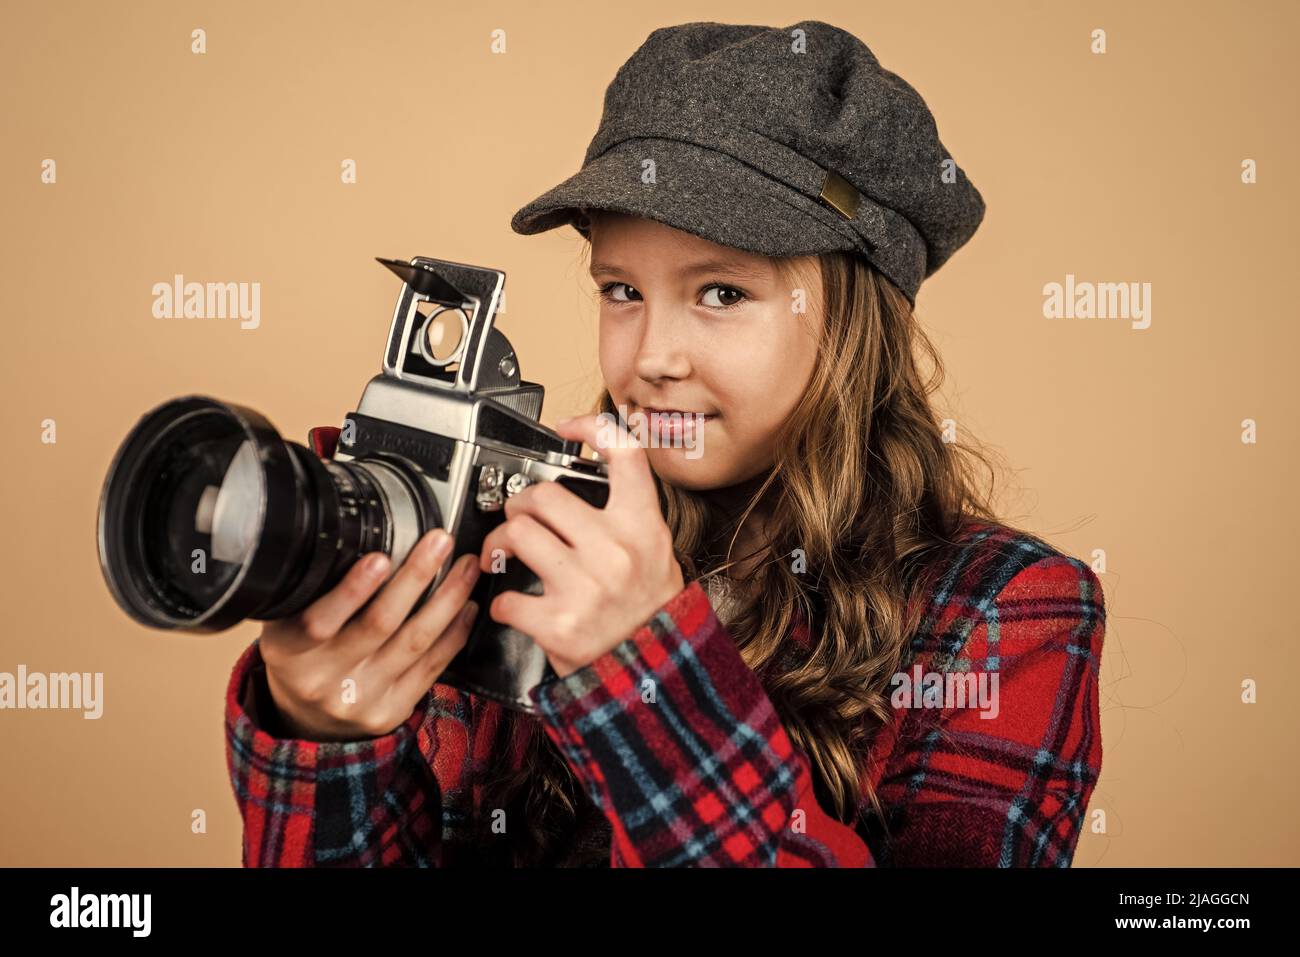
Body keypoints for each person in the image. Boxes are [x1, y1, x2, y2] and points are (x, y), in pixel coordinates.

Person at [224, 20, 1105, 867]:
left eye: (720, 293)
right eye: (620, 289)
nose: (651, 359)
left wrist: (646, 673)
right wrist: (324, 736)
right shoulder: (511, 543)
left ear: (852, 322)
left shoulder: (1005, 611)